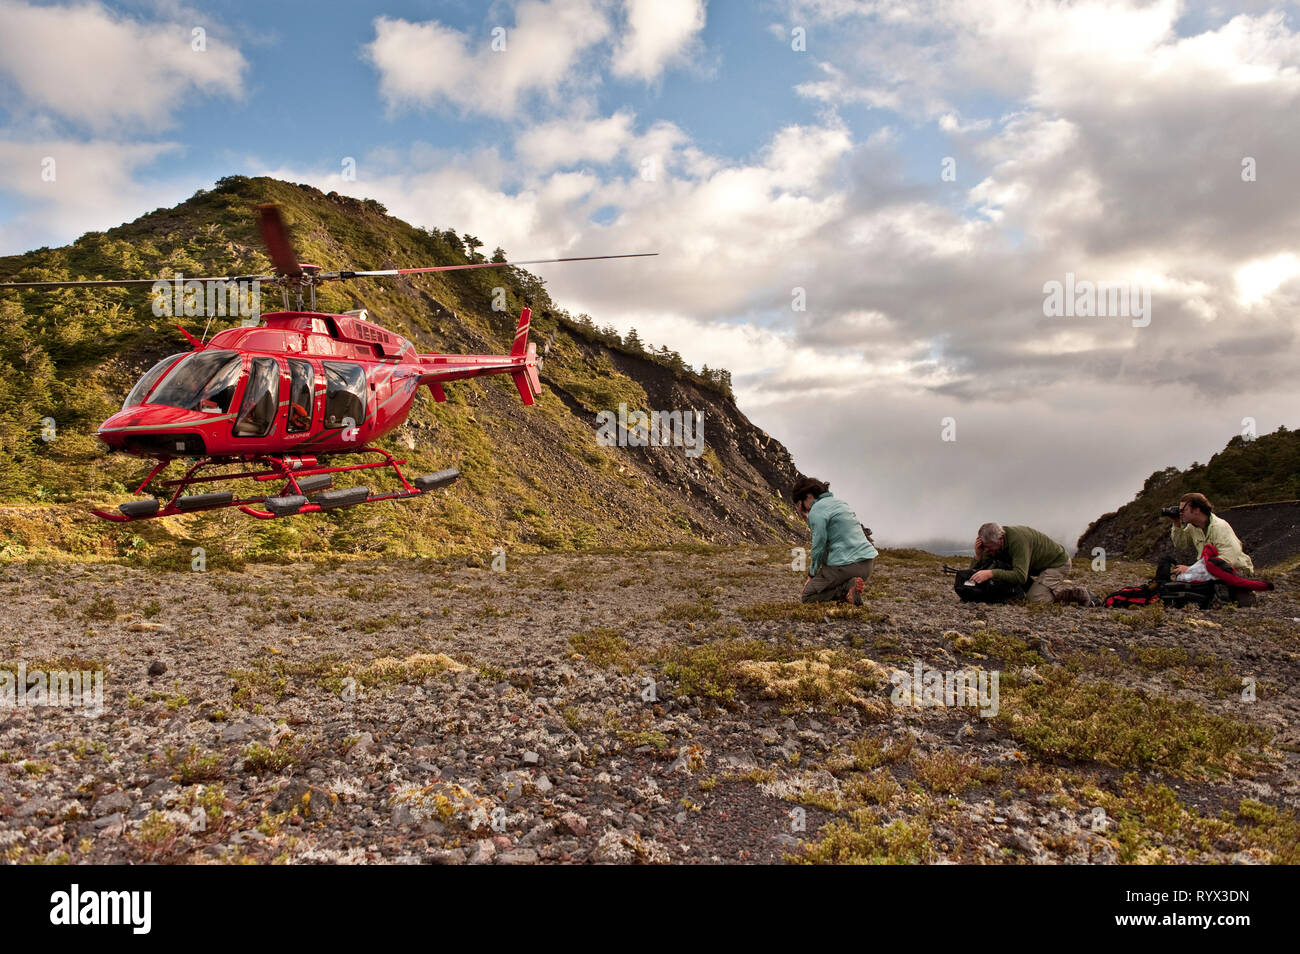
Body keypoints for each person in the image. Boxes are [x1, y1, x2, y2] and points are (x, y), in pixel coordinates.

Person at [790, 478, 877, 605]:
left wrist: (812, 575)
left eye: (799, 503)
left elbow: (819, 544)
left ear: (808, 496)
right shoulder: (840, 503)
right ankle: (849, 586)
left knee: (808, 596)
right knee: (828, 573)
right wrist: (806, 517)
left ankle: (845, 589)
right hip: (867, 564)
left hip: (846, 566)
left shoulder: (816, 510)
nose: (800, 508)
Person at [969, 522, 1091, 605]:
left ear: (1000, 539)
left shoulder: (1017, 540)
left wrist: (991, 573)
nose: (987, 551)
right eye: (984, 548)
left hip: (1057, 564)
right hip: (1033, 567)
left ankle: (1076, 595)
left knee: (1035, 599)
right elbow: (973, 574)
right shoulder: (990, 545)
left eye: (989, 548)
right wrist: (978, 555)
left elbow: (1020, 576)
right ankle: (1043, 588)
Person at [1168, 493, 1256, 604]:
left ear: (1196, 510)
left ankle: (1236, 593)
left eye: (1183, 510)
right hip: (1209, 569)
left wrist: (1191, 569)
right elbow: (1181, 543)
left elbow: (1227, 561)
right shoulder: (1193, 527)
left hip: (1235, 571)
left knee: (1189, 579)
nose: (1180, 514)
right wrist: (1176, 523)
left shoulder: (1220, 527)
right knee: (1182, 579)